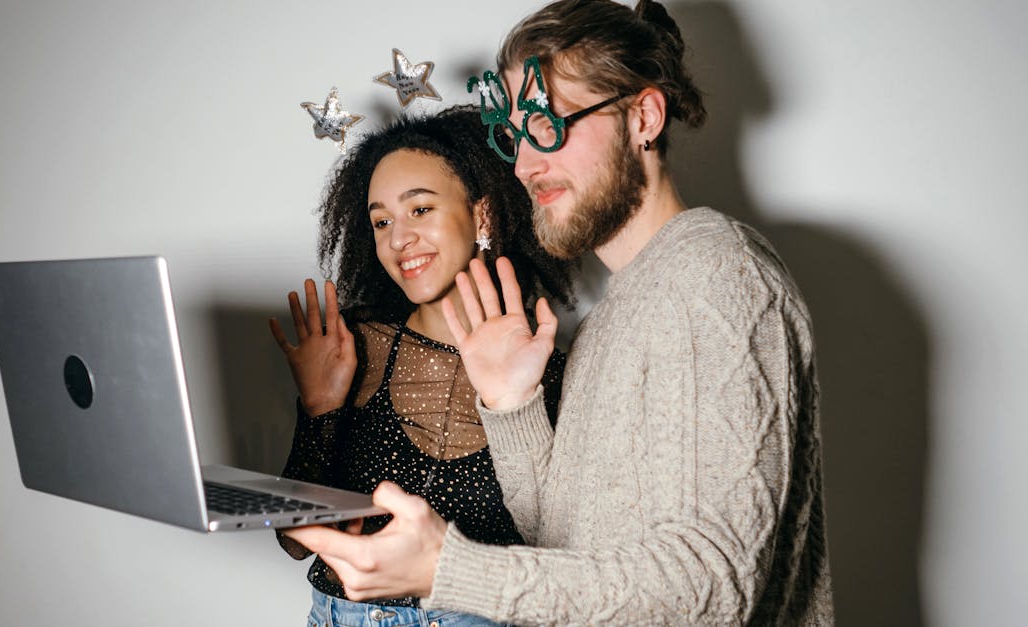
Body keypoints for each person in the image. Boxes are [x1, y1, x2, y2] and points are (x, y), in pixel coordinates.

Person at [285, 0, 835, 624]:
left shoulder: (714, 275)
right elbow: (559, 541)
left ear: (644, 117)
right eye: (517, 135)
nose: (524, 164)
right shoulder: (613, 316)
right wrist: (512, 407)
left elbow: (712, 592)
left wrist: (448, 570)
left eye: (549, 125)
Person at [270, 105, 577, 627]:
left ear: (482, 215)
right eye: (382, 221)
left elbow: (563, 557)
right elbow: (294, 544)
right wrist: (319, 408)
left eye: (420, 210)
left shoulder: (551, 371)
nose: (398, 239)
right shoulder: (355, 346)